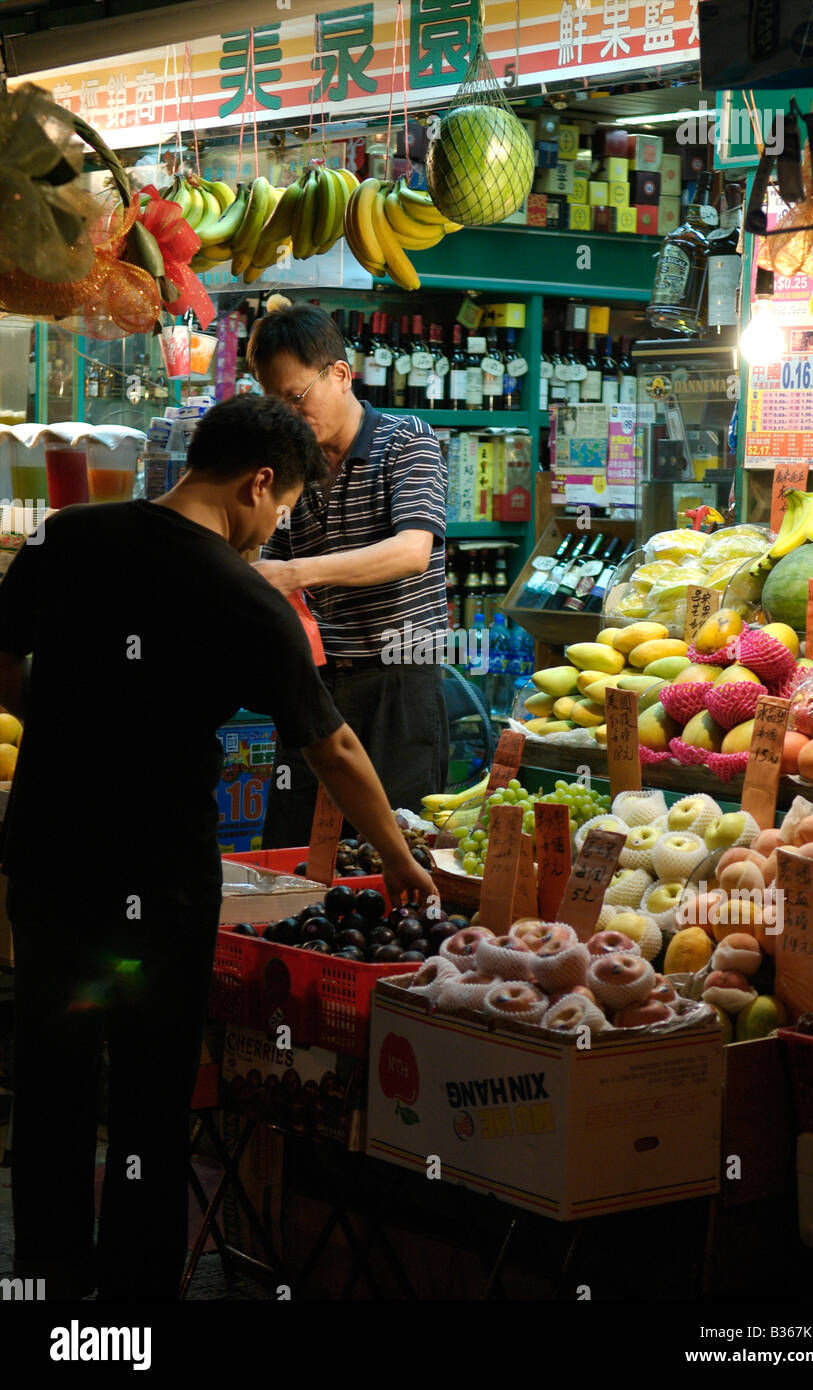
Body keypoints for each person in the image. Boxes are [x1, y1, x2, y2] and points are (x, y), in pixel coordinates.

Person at [0, 394, 435, 1302]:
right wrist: (397, 857)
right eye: (279, 512)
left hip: (49, 858)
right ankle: (133, 1304)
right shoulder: (244, 597)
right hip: (158, 882)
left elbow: (1, 657)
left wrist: (51, 721)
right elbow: (334, 747)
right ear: (259, 482)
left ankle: (44, 1285)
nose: (273, 530)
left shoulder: (67, 538)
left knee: (54, 1081)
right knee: (152, 1098)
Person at [246, 304, 450, 848]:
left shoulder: (407, 440)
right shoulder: (293, 462)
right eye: (274, 404)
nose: (288, 416)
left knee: (394, 852)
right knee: (292, 850)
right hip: (316, 687)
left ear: (340, 374)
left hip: (398, 684)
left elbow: (411, 551)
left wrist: (292, 572)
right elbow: (267, 562)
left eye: (296, 398)